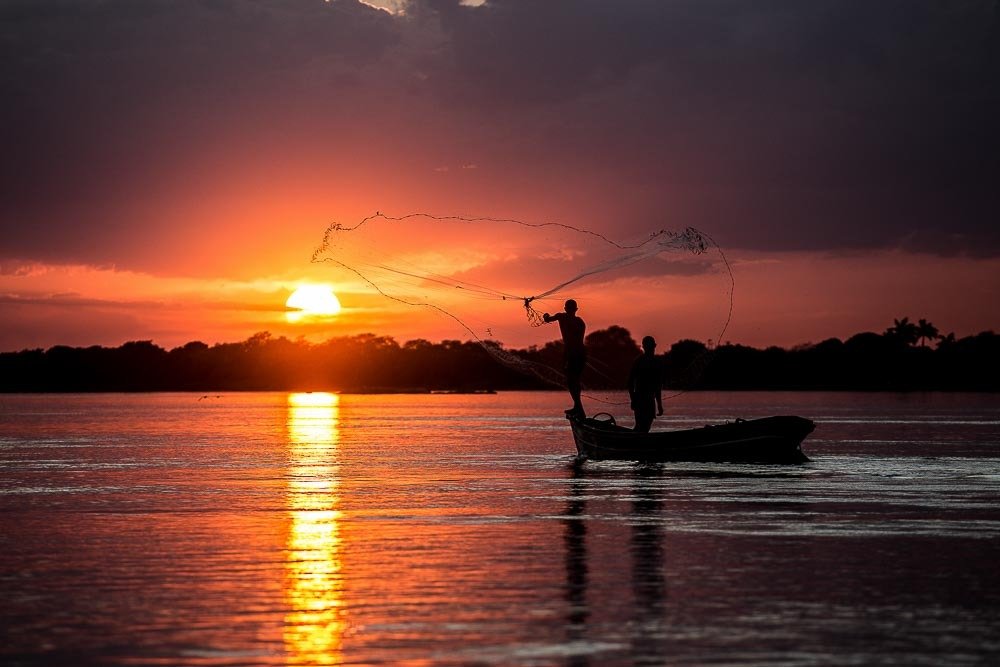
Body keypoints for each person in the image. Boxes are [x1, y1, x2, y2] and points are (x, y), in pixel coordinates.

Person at [543, 299, 586, 416]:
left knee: (571, 380)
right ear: (576, 310)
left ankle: (579, 408)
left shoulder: (561, 316)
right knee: (575, 380)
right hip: (581, 353)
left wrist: (545, 315)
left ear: (565, 308)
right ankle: (578, 408)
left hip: (571, 353)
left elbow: (547, 319)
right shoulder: (580, 322)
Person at [628, 335, 663, 433]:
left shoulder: (655, 363)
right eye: (648, 346)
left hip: (647, 400)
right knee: (641, 427)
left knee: (644, 428)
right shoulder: (639, 362)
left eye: (650, 346)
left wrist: (659, 404)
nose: (649, 348)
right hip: (640, 399)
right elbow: (630, 383)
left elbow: (658, 386)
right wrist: (633, 399)